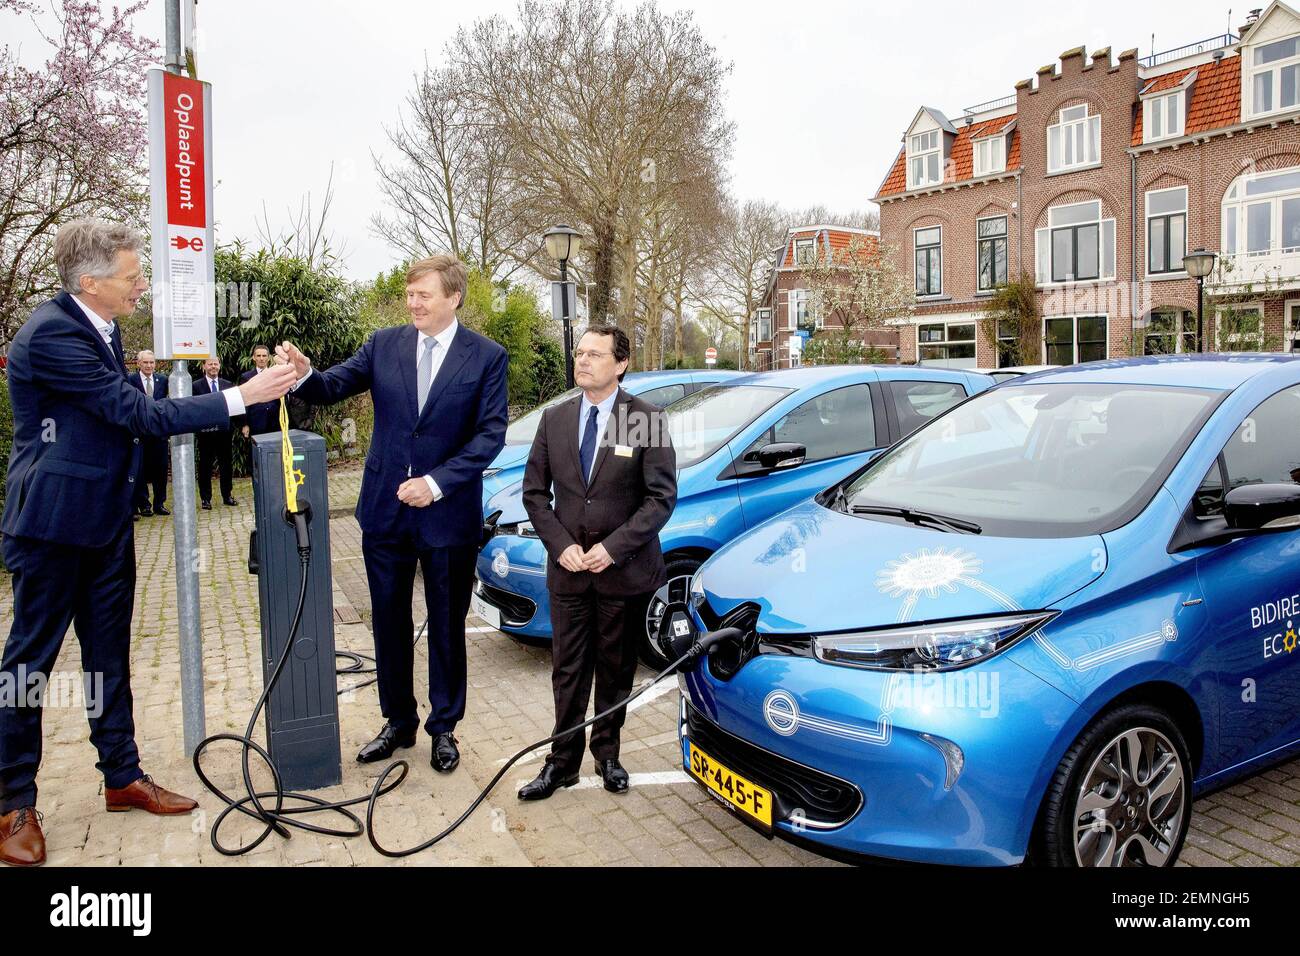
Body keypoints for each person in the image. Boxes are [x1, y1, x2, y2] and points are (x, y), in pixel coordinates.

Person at [0, 219, 298, 867]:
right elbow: (133, 413)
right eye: (132, 277)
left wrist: (247, 392)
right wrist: (239, 398)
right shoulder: (52, 333)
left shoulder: (100, 329)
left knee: (109, 656)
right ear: (90, 281)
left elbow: (132, 412)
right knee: (29, 667)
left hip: (106, 525)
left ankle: (122, 776)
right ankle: (12, 801)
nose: (142, 286)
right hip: (51, 528)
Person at [277, 254, 507, 774]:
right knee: (388, 621)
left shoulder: (487, 357)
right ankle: (398, 722)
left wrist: (435, 484)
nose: (413, 303)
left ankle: (443, 728)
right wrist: (304, 372)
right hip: (384, 511)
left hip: (446, 516)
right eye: (409, 294)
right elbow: (333, 385)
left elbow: (490, 435)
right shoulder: (384, 345)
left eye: (424, 295)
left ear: (454, 297)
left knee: (447, 625)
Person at [517, 324, 677, 800]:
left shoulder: (641, 418)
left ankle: (607, 754)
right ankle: (561, 763)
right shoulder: (557, 420)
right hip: (568, 572)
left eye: (595, 354)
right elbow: (533, 493)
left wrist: (612, 549)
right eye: (579, 353)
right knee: (567, 670)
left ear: (621, 363)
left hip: (621, 572)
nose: (582, 361)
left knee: (615, 669)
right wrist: (559, 544)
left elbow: (660, 499)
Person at [126, 350, 170, 517]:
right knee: (140, 470)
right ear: (138, 363)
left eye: (152, 362)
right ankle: (144, 504)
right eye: (146, 362)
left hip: (158, 434)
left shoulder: (163, 380)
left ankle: (160, 503)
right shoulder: (131, 380)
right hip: (140, 433)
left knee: (160, 469)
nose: (149, 366)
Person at [191, 356, 238, 509]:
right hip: (206, 433)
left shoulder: (228, 384)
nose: (213, 367)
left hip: (224, 432)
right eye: (210, 364)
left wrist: (240, 425)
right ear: (204, 366)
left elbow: (234, 407)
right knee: (205, 466)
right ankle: (205, 499)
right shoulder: (195, 386)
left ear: (219, 365)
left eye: (215, 364)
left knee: (226, 465)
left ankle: (227, 495)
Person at [238, 344, 281, 440]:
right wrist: (244, 424)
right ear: (254, 357)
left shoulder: (276, 374)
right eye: (258, 356)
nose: (261, 359)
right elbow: (243, 402)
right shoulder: (246, 377)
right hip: (255, 423)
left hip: (275, 423)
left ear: (269, 358)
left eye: (264, 356)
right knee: (255, 453)